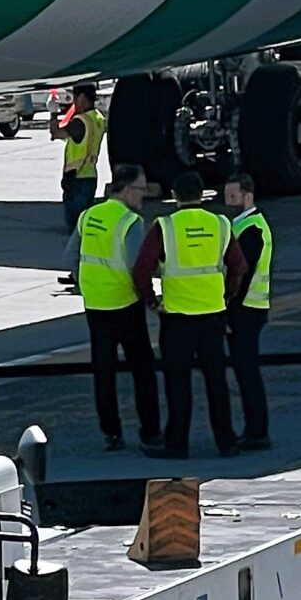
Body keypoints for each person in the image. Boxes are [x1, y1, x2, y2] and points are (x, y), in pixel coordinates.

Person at [70, 164, 162, 453]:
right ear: (127, 190)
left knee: (104, 371)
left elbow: (71, 257)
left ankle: (111, 433)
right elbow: (138, 266)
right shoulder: (130, 221)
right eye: (141, 189)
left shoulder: (89, 214)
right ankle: (150, 433)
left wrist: (87, 285)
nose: (143, 195)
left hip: (95, 305)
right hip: (124, 304)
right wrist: (150, 299)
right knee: (143, 370)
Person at [152, 170, 239, 458]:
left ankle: (177, 444)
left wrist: (152, 302)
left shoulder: (165, 226)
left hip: (177, 319)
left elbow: (141, 269)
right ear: (202, 194)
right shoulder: (220, 224)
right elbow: (238, 265)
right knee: (217, 383)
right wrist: (226, 295)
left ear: (174, 196)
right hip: (213, 315)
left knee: (178, 384)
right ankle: (226, 442)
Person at [223, 172, 273, 451]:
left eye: (233, 196)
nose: (228, 202)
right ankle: (255, 429)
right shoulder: (243, 225)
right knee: (245, 371)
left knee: (247, 372)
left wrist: (229, 308)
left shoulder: (250, 229)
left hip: (246, 310)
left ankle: (256, 431)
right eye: (226, 196)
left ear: (247, 196)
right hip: (250, 308)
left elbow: (242, 274)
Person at [51, 83, 107, 280]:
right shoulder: (98, 118)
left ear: (83, 98)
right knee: (85, 228)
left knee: (76, 229)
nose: (74, 102)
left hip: (76, 179)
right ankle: (81, 270)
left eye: (75, 97)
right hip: (90, 175)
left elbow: (56, 133)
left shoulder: (80, 122)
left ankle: (77, 272)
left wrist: (53, 113)